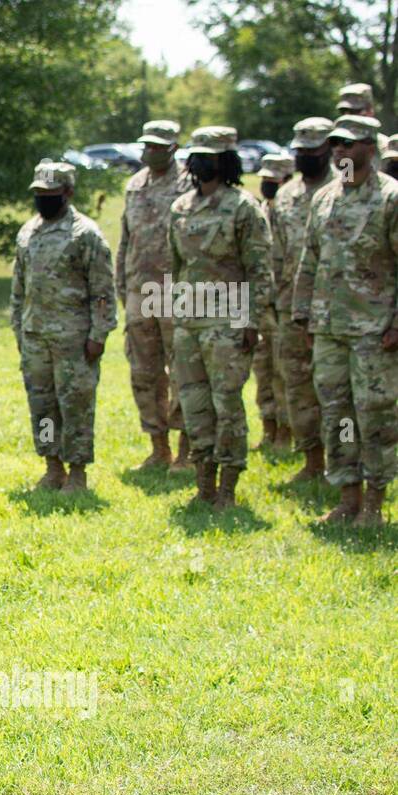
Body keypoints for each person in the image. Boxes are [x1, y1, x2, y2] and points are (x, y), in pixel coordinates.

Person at [293, 115, 398, 526]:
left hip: (375, 332)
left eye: (348, 144)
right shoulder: (324, 198)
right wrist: (302, 315)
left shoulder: (390, 197)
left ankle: (375, 501)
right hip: (328, 329)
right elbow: (309, 261)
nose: (339, 151)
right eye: (335, 144)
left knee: (374, 414)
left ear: (369, 148)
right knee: (339, 417)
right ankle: (347, 496)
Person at [168, 126, 275, 510]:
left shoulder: (244, 207)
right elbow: (176, 266)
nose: (200, 162)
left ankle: (228, 488)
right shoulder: (180, 207)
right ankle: (204, 485)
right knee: (194, 404)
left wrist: (252, 322)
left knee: (226, 404)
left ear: (225, 160)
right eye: (196, 155)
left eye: (208, 156)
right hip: (189, 326)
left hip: (228, 325)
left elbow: (260, 270)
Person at [12, 159, 116, 493]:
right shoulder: (28, 232)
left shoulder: (85, 234)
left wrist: (98, 335)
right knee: (42, 407)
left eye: (51, 193)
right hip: (35, 338)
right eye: (39, 193)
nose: (43, 198)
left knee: (76, 407)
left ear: (68, 193)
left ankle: (78, 472)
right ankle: (52, 466)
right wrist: (18, 328)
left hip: (75, 339)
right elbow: (18, 287)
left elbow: (103, 291)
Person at [116, 120, 190, 470]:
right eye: (147, 145)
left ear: (173, 148)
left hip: (178, 294)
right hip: (139, 292)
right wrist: (121, 287)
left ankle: (187, 449)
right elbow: (125, 241)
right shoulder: (134, 185)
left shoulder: (189, 183)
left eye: (159, 147)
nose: (151, 152)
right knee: (144, 373)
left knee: (183, 372)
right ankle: (158, 446)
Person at [272, 118, 337, 482]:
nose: (306, 157)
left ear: (328, 150)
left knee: (337, 390)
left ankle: (345, 460)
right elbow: (276, 255)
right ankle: (312, 461)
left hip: (337, 309)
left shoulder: (341, 190)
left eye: (313, 150)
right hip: (291, 308)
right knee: (297, 386)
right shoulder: (285, 195)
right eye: (301, 151)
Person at [253, 153, 294, 453]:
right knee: (263, 368)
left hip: (285, 303)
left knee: (285, 371)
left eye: (274, 180)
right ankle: (268, 426)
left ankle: (287, 431)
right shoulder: (259, 210)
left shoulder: (293, 213)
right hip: (262, 304)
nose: (268, 185)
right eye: (264, 180)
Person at [336, 83, 389, 152]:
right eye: (343, 111)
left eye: (354, 111)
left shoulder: (385, 146)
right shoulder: (335, 144)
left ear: (370, 110)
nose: (347, 115)